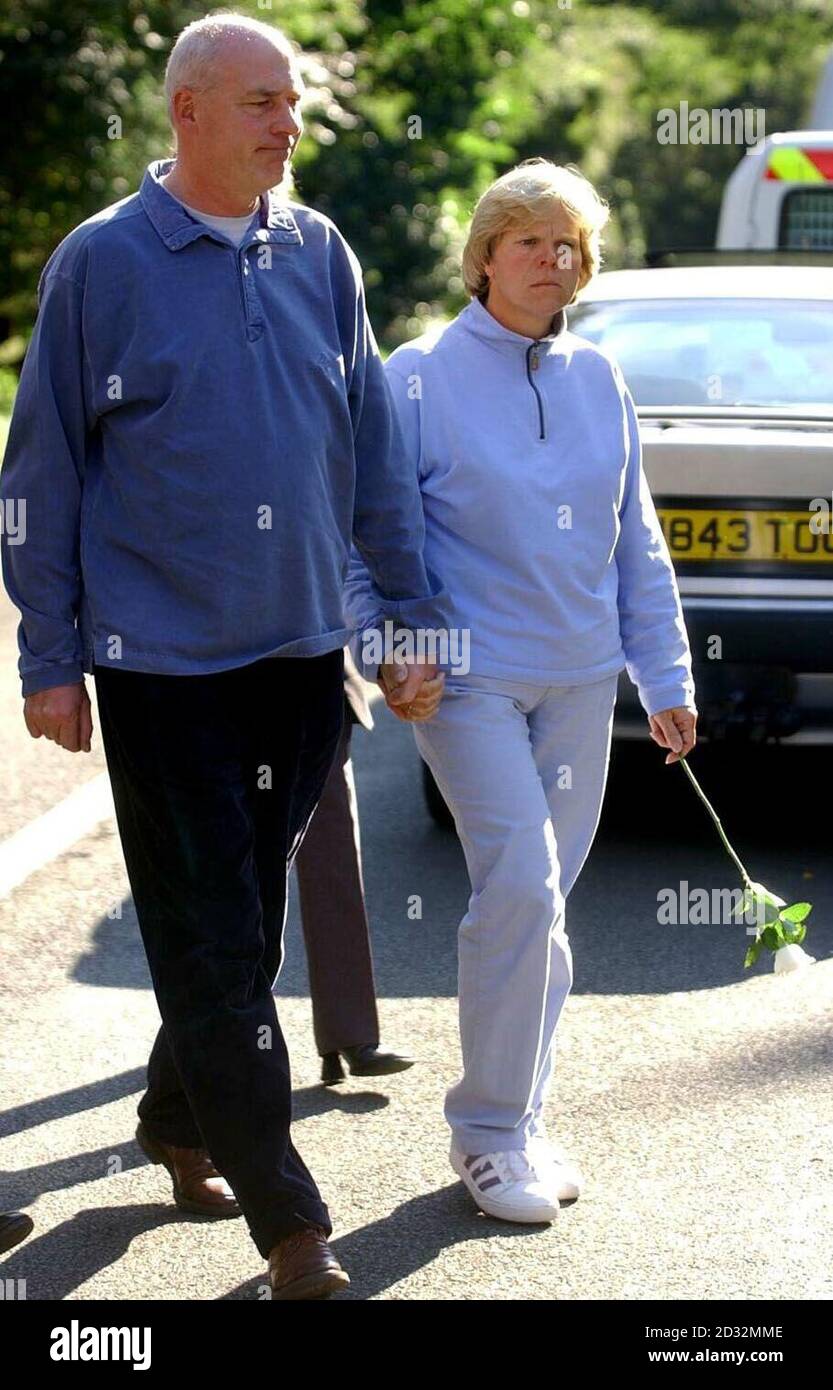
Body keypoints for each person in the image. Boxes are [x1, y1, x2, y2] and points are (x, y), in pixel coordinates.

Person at [0, 13, 446, 1298]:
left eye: (290, 103)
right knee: (208, 935)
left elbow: (368, 457)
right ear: (187, 110)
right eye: (259, 102)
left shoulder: (321, 254)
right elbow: (42, 474)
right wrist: (50, 653)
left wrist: (403, 618)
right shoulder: (102, 265)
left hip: (303, 658)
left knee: (234, 933)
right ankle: (290, 1224)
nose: (285, 125)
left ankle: (181, 1120)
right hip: (161, 669)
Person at [345, 159, 697, 1224]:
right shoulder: (416, 376)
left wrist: (664, 672)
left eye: (571, 247)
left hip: (581, 678)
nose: (555, 261)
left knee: (540, 909)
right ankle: (488, 1132)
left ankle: (522, 1116)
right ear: (484, 256)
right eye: (531, 242)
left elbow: (633, 537)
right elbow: (368, 538)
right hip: (467, 675)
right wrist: (382, 647)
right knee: (521, 890)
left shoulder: (598, 377)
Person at [294, 649, 415, 1085]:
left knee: (333, 863)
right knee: (229, 881)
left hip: (316, 679)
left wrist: (391, 649)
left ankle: (350, 1034)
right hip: (214, 682)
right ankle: (203, 1040)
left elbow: (369, 578)